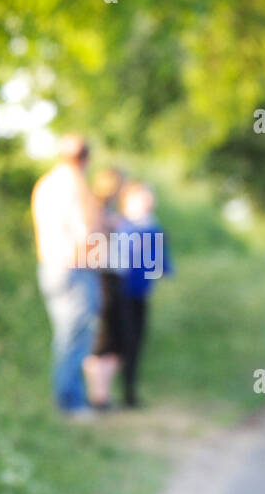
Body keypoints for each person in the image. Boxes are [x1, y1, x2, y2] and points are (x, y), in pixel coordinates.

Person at [31, 134, 99, 417]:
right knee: (75, 336)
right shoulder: (76, 186)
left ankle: (68, 398)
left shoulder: (45, 184)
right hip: (74, 267)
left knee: (64, 334)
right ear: (86, 158)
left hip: (49, 266)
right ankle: (72, 403)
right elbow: (85, 232)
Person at [110, 181, 172, 407]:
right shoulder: (121, 225)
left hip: (140, 294)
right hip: (119, 292)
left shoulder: (152, 227)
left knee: (135, 343)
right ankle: (110, 393)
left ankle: (129, 393)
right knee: (119, 343)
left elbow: (161, 264)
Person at [83, 168, 125, 409]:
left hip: (113, 276)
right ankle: (97, 395)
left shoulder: (110, 211)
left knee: (113, 338)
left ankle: (103, 394)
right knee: (100, 338)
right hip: (100, 276)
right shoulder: (94, 210)